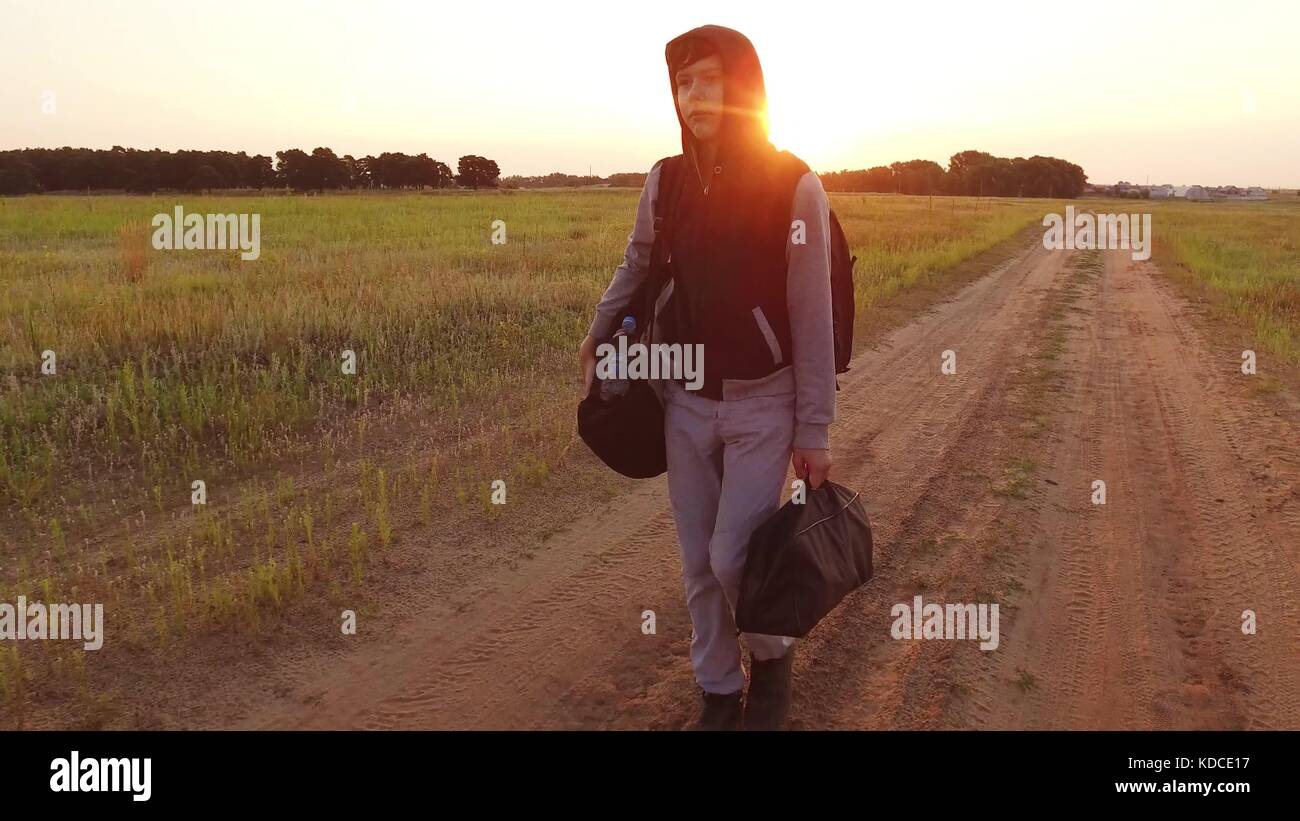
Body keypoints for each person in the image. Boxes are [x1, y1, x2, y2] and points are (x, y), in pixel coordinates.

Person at [578, 24, 836, 730]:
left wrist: (814, 428)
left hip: (765, 404)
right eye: (683, 83)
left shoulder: (794, 185)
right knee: (697, 561)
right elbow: (637, 263)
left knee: (734, 557)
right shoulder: (665, 181)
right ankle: (719, 691)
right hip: (683, 401)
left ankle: (773, 659)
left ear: (743, 86)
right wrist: (601, 329)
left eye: (710, 79)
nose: (694, 96)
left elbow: (812, 317)